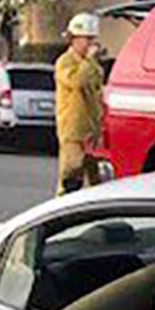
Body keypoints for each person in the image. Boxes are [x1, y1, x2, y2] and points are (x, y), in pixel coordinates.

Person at [55, 12, 106, 195]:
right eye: (87, 39)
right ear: (74, 39)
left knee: (97, 183)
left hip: (92, 132)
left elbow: (97, 92)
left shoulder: (92, 65)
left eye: (93, 39)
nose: (91, 44)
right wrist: (89, 60)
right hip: (73, 132)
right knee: (71, 180)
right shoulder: (65, 62)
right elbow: (77, 82)